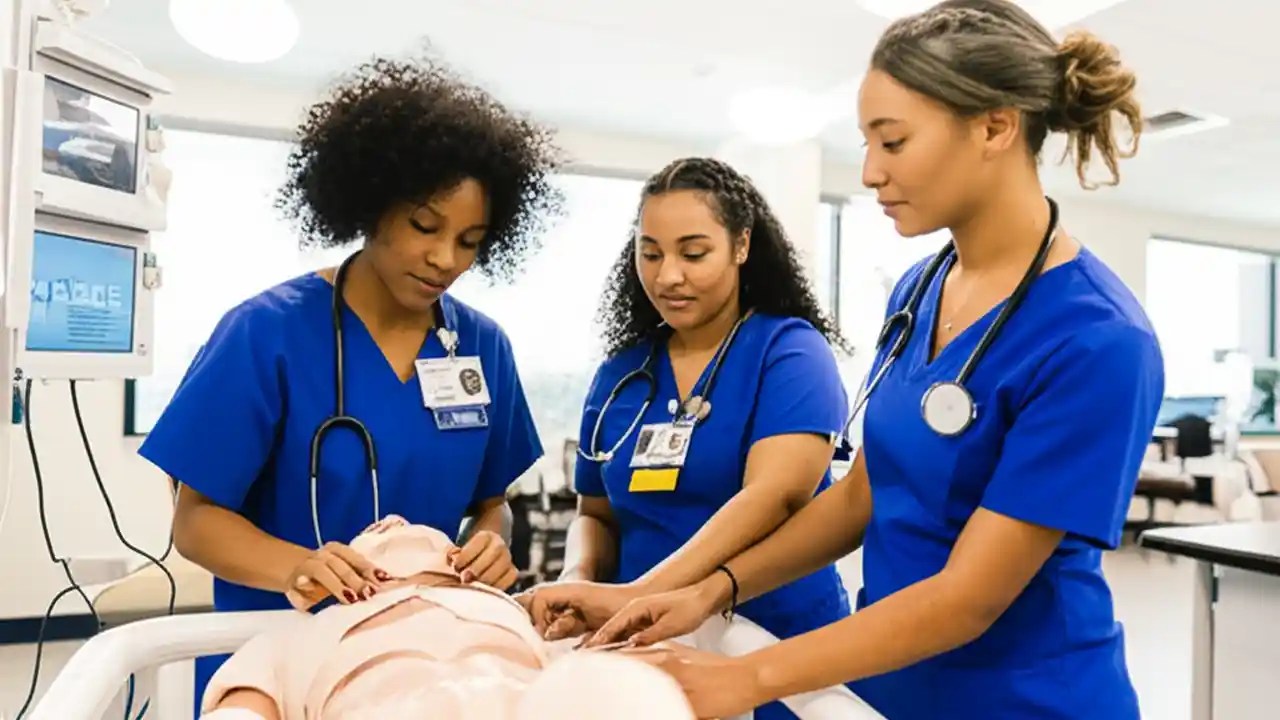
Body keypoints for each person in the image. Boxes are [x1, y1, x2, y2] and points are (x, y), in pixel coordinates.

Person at [524, 2, 1164, 718]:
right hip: (885, 686)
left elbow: (969, 599)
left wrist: (750, 676)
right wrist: (712, 591)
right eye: (867, 143)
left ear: (994, 127)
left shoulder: (1096, 340)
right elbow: (863, 492)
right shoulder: (922, 289)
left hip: (1027, 699)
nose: (869, 172)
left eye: (892, 142)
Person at [138, 52, 564, 715]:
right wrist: (295, 566)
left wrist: (492, 542)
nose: (445, 259)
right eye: (425, 226)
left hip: (420, 670)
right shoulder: (266, 334)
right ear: (370, 205)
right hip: (280, 663)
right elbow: (195, 522)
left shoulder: (482, 347)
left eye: (470, 240)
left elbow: (492, 503)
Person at [527, 156, 854, 719]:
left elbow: (777, 494)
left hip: (775, 650)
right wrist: (579, 580)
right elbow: (595, 515)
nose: (667, 276)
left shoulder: (789, 351)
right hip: (644, 650)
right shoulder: (622, 375)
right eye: (650, 253)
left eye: (693, 253)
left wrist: (639, 593)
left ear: (741, 245)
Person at [199, 515, 696, 720]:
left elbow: (585, 672)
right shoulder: (306, 634)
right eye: (378, 532)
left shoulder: (510, 611)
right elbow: (242, 711)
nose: (394, 521)